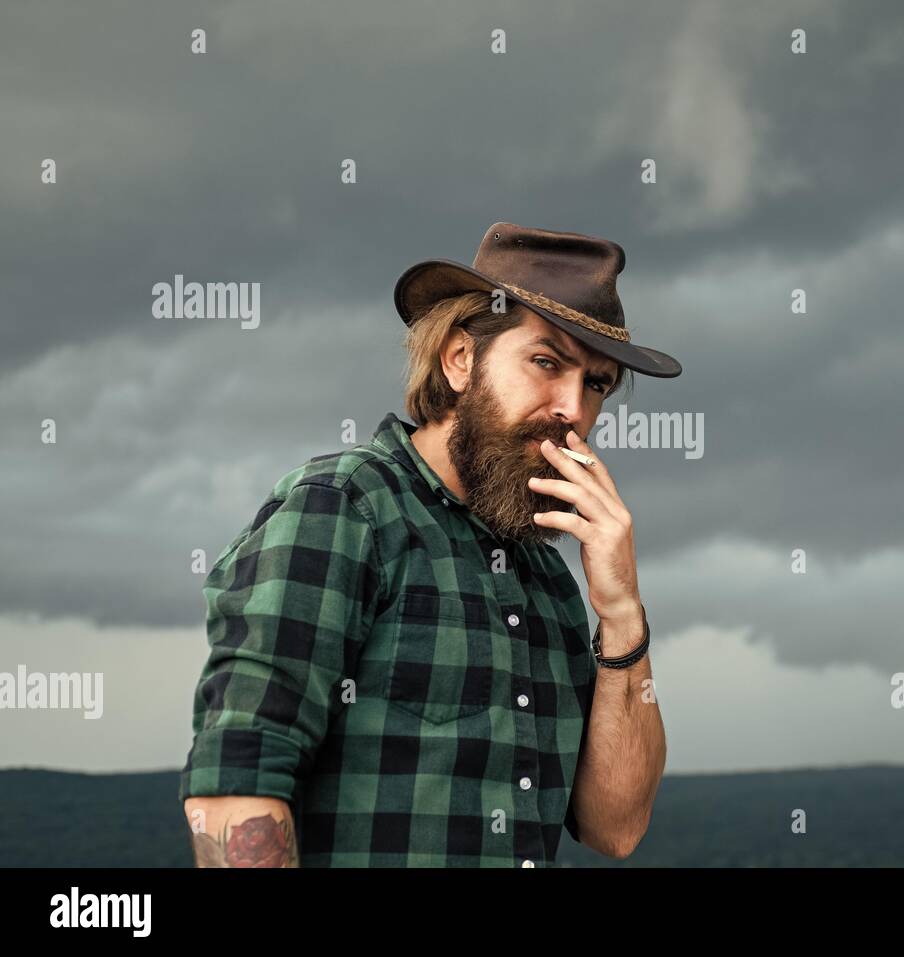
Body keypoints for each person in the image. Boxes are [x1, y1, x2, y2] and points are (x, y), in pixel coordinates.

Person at [179, 222, 683, 867]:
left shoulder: (548, 571)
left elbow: (617, 827)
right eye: (547, 362)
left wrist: (620, 612)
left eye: (597, 384)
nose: (571, 408)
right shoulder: (345, 507)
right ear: (460, 359)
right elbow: (236, 785)